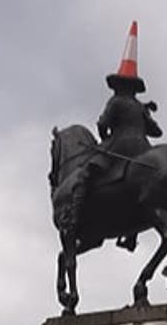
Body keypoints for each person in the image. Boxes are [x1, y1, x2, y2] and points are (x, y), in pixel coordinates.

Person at [69, 21, 162, 248]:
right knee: (144, 184)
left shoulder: (116, 101)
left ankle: (73, 218)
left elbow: (102, 125)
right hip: (144, 149)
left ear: (119, 85)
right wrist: (147, 112)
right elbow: (157, 132)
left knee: (85, 174)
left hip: (120, 145)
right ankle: (131, 236)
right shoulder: (139, 106)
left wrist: (104, 137)